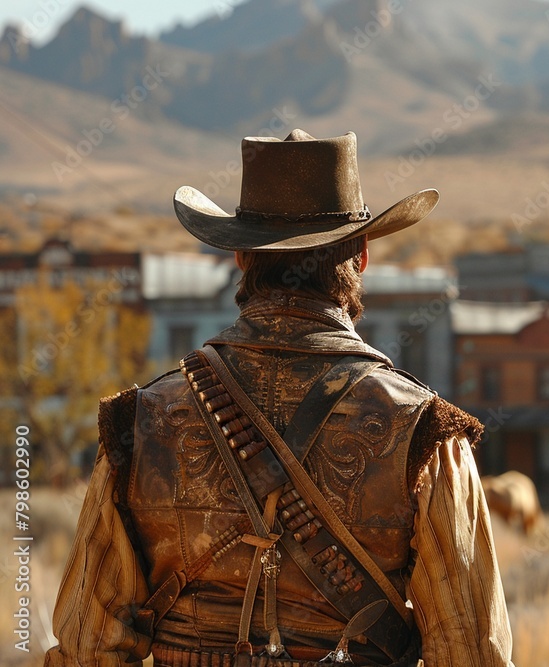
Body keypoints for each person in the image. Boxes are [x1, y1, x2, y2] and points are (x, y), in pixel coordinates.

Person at [45, 130, 514, 667]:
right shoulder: (422, 431)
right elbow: (475, 651)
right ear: (360, 256)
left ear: (241, 257)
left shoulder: (141, 421)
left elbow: (88, 649)